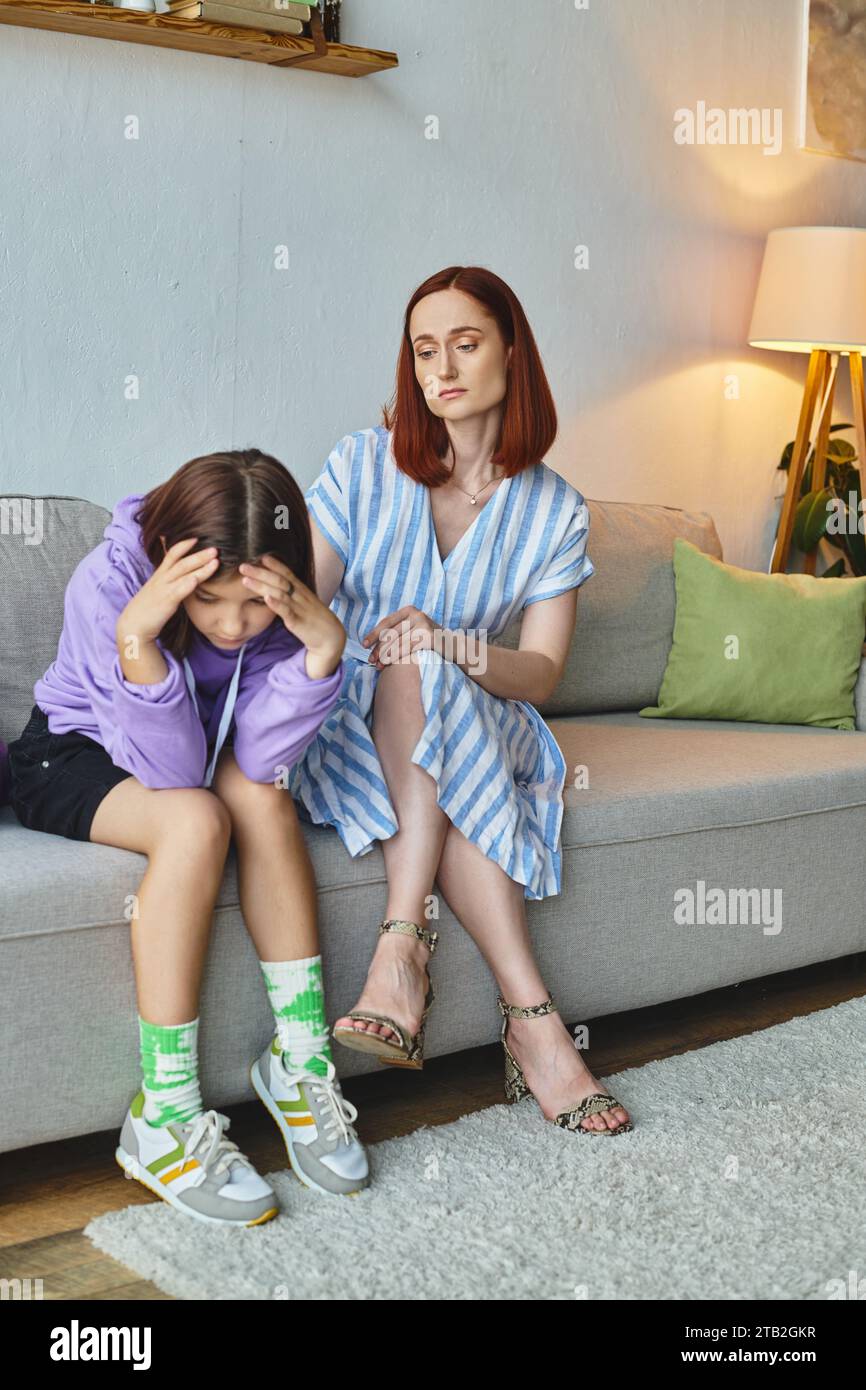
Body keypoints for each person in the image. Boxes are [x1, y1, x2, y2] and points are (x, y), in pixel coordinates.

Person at [292, 265, 633, 1136]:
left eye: (466, 343)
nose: (441, 367)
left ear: (512, 353)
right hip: (349, 718)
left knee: (427, 666)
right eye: (424, 349)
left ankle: (406, 951)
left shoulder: (555, 509)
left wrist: (450, 644)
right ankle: (533, 1023)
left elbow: (543, 673)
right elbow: (307, 609)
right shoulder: (365, 463)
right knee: (406, 663)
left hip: (484, 715)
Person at [5, 448, 371, 1226]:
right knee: (199, 819)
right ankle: (164, 1115)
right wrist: (139, 642)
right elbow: (173, 776)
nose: (232, 626)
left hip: (199, 750)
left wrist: (320, 653)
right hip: (72, 754)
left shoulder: (272, 599)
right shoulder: (106, 587)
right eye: (206, 601)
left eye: (253, 605)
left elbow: (262, 756)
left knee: (263, 799)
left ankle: (299, 1063)